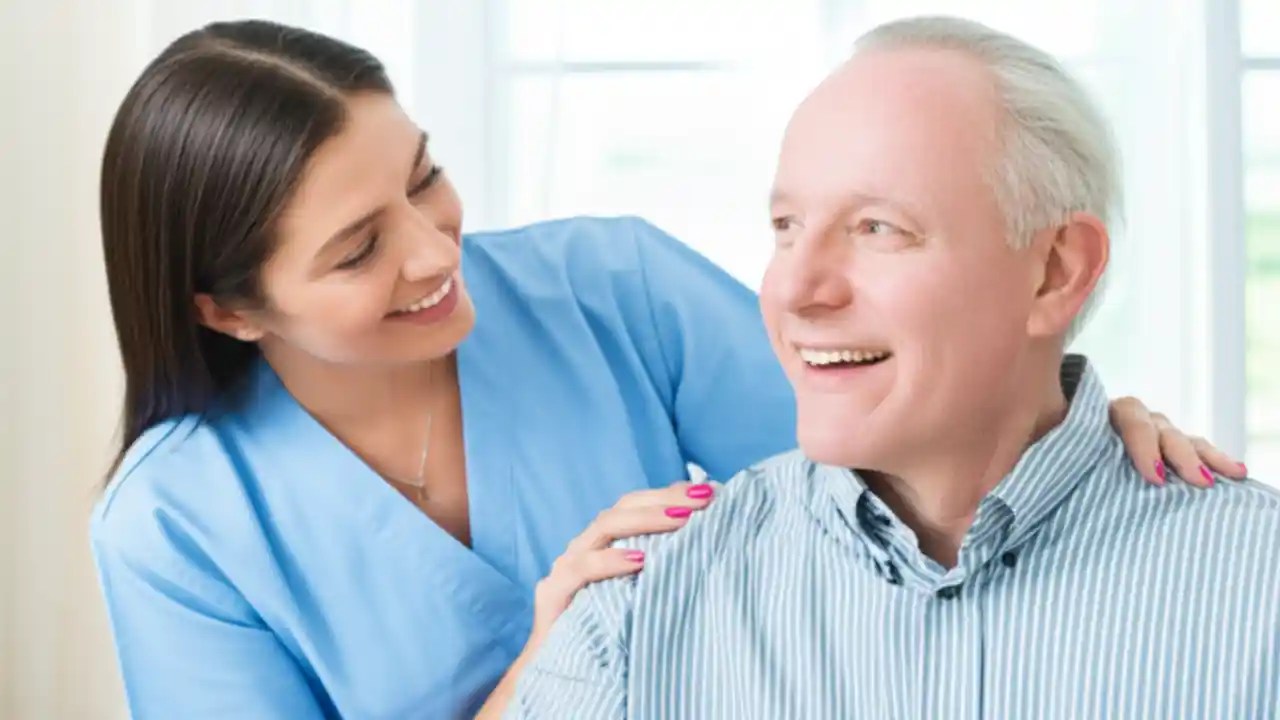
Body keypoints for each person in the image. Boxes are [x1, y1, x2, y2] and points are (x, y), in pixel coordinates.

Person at [91, 18, 1244, 720]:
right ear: (229, 310)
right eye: (357, 250)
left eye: (423, 178)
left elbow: (904, 443)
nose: (436, 252)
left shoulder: (609, 290)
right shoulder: (176, 525)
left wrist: (1063, 423)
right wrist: (544, 669)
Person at [508, 16, 1280, 720]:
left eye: (878, 228)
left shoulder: (1259, 585)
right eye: (787, 226)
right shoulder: (639, 604)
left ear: (1054, 272)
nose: (796, 290)